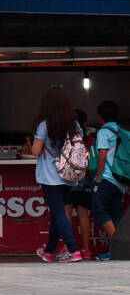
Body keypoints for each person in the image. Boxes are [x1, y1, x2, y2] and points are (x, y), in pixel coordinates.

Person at [31, 85, 82, 262]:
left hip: (49, 175)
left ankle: (73, 250)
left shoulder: (44, 125)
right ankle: (49, 251)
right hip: (69, 175)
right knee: (56, 213)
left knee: (58, 212)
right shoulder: (74, 124)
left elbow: (35, 151)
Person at [91, 99, 129, 261]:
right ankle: (119, 249)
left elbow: (102, 156)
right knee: (114, 213)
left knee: (98, 208)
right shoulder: (122, 130)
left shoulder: (103, 132)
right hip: (121, 180)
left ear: (100, 117)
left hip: (108, 177)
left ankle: (118, 248)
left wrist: (97, 177)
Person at [64, 109, 94, 260]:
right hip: (84, 179)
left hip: (68, 179)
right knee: (84, 215)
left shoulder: (67, 137)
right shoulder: (88, 139)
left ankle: (70, 248)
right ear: (85, 123)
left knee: (67, 214)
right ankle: (86, 249)